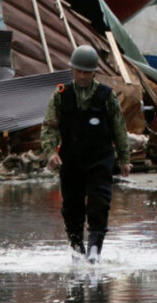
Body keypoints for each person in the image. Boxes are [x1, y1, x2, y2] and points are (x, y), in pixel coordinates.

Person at [39, 45, 131, 263]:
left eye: (86, 72)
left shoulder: (106, 96)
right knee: (71, 209)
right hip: (71, 160)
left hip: (100, 159)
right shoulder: (61, 95)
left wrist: (125, 158)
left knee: (99, 204)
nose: (82, 76)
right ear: (72, 70)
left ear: (93, 73)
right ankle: (77, 249)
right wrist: (51, 152)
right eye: (78, 71)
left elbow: (119, 127)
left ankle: (94, 249)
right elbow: (49, 126)